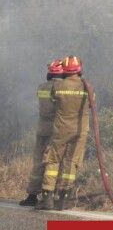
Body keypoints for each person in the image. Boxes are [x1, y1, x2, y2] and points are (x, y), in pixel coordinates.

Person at [37, 56, 90, 210]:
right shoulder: (87, 87)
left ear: (65, 70)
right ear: (79, 69)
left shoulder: (58, 86)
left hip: (61, 129)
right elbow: (91, 103)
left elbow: (53, 100)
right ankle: (63, 199)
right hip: (80, 130)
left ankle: (47, 198)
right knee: (72, 162)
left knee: (53, 160)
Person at [18, 59, 64, 207]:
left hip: (41, 130)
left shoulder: (42, 87)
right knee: (52, 162)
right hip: (55, 131)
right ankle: (48, 196)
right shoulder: (60, 89)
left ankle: (32, 195)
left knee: (38, 163)